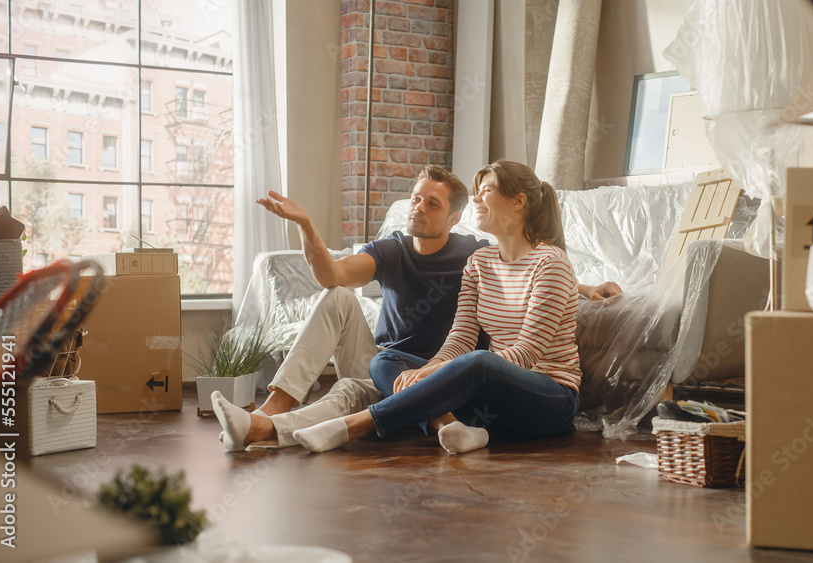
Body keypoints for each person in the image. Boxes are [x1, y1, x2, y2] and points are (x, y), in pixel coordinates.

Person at [214, 165, 619, 452]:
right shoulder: (478, 262)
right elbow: (459, 336)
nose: (419, 208)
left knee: (480, 362)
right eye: (416, 200)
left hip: (546, 395)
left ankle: (348, 427)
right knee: (384, 363)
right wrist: (427, 372)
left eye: (486, 189)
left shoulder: (540, 262)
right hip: (474, 394)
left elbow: (525, 353)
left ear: (518, 203)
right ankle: (449, 427)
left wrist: (582, 287)